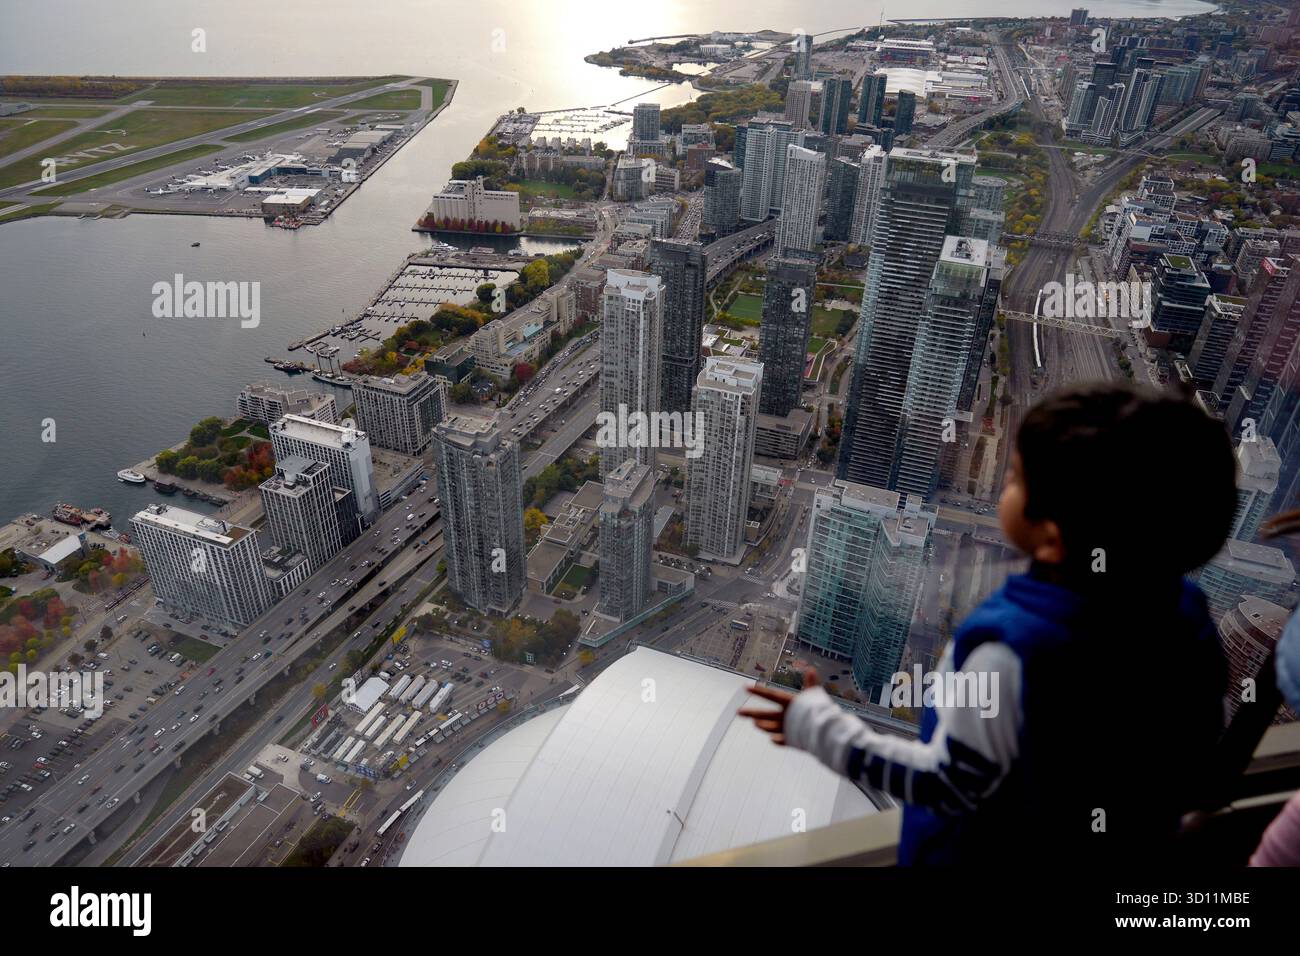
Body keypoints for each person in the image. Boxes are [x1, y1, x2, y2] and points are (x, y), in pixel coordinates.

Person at [741, 384, 1236, 865]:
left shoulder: (1013, 653)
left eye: (1017, 478)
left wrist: (820, 728)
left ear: (1053, 534)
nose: (1004, 485)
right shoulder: (1184, 616)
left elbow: (946, 782)